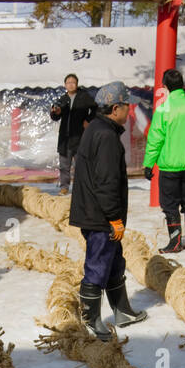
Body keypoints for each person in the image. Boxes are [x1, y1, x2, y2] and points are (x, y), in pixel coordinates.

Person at [69, 80, 148, 340]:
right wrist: (114, 218)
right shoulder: (106, 136)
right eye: (127, 106)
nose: (130, 111)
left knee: (115, 261)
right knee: (98, 265)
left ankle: (122, 311)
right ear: (116, 108)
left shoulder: (98, 129)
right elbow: (107, 183)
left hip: (95, 213)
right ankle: (90, 321)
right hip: (100, 216)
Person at [142, 67, 185, 251]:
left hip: (170, 165)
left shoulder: (164, 109)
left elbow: (155, 139)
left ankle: (175, 241)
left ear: (165, 86)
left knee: (169, 205)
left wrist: (148, 164)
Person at [50, 73, 97, 193]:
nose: (70, 84)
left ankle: (82, 188)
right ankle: (64, 187)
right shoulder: (62, 99)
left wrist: (88, 120)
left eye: (73, 82)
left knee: (81, 165)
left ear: (77, 84)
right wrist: (55, 112)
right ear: (65, 85)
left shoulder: (84, 96)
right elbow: (55, 117)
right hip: (65, 138)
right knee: (64, 166)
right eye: (68, 82)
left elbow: (96, 109)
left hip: (79, 136)